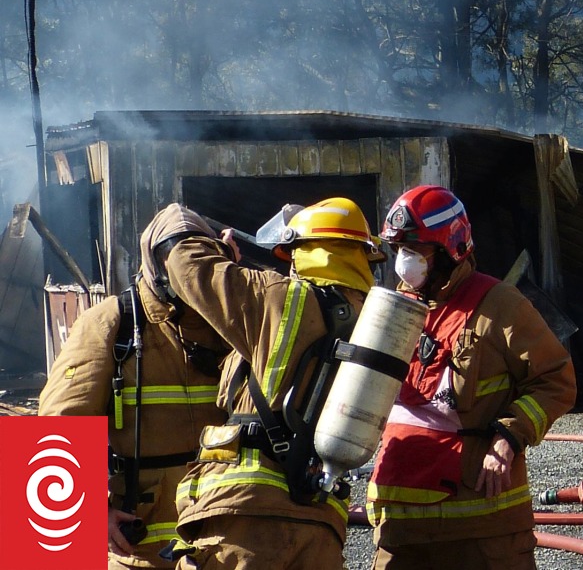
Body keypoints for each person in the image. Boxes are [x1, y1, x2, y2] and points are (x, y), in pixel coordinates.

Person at [162, 197, 385, 569]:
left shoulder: (278, 298)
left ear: (306, 251)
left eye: (293, 251)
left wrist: (179, 220)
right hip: (319, 518)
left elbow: (189, 266)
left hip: (246, 516)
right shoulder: (372, 322)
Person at [366, 185, 577, 570]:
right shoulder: (392, 309)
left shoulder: (499, 305)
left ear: (451, 249)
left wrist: (509, 436)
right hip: (400, 530)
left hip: (481, 529)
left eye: (416, 250)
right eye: (399, 249)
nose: (404, 261)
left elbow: (556, 380)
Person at [38, 204, 230, 570]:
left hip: (224, 541)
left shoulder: (234, 319)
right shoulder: (114, 323)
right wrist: (93, 513)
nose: (186, 274)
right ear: (153, 263)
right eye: (174, 259)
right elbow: (54, 431)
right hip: (140, 550)